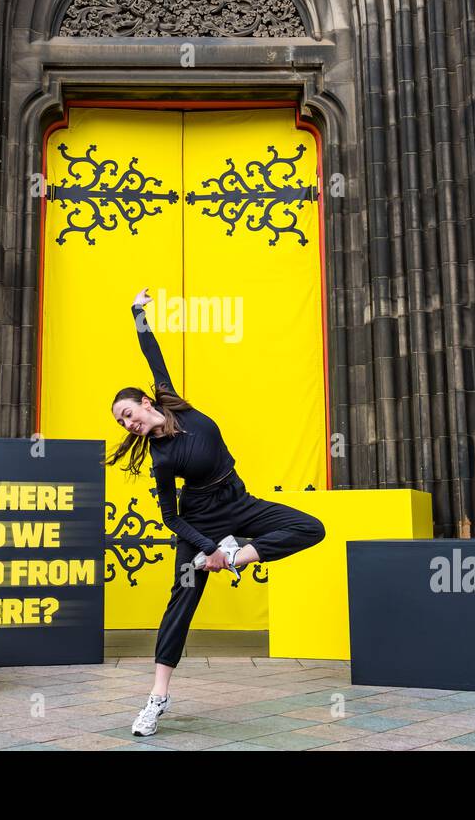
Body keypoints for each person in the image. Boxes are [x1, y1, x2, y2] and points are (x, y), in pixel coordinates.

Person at [106, 287, 326, 736]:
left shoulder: (171, 400)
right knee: (181, 603)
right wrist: (206, 548)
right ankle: (157, 697)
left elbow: (153, 352)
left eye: (129, 413)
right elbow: (171, 517)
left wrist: (136, 312)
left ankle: (238, 555)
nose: (129, 424)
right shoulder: (161, 458)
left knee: (310, 527)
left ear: (147, 403)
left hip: (238, 501)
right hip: (200, 521)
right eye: (122, 423)